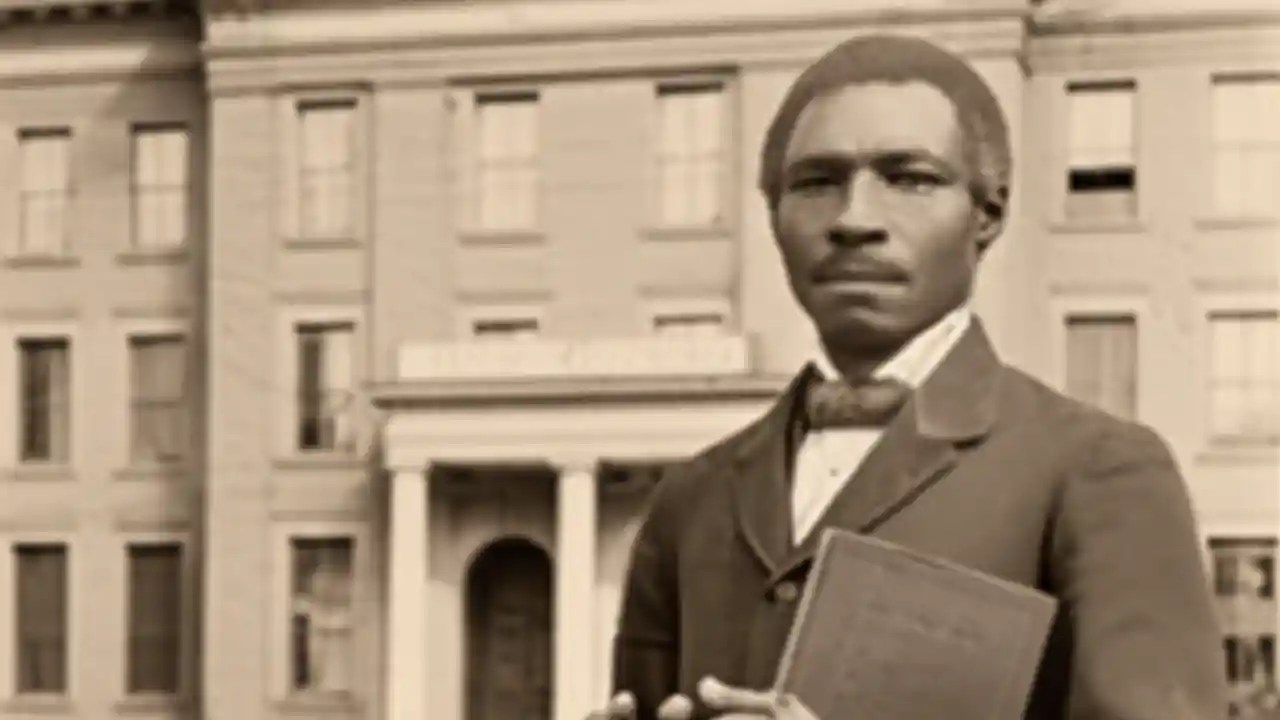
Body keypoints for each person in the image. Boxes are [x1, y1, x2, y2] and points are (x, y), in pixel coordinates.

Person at [589, 32, 1228, 720]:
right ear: (773, 216)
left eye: (910, 178)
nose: (854, 218)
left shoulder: (1099, 469)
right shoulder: (690, 496)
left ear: (987, 215)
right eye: (816, 182)